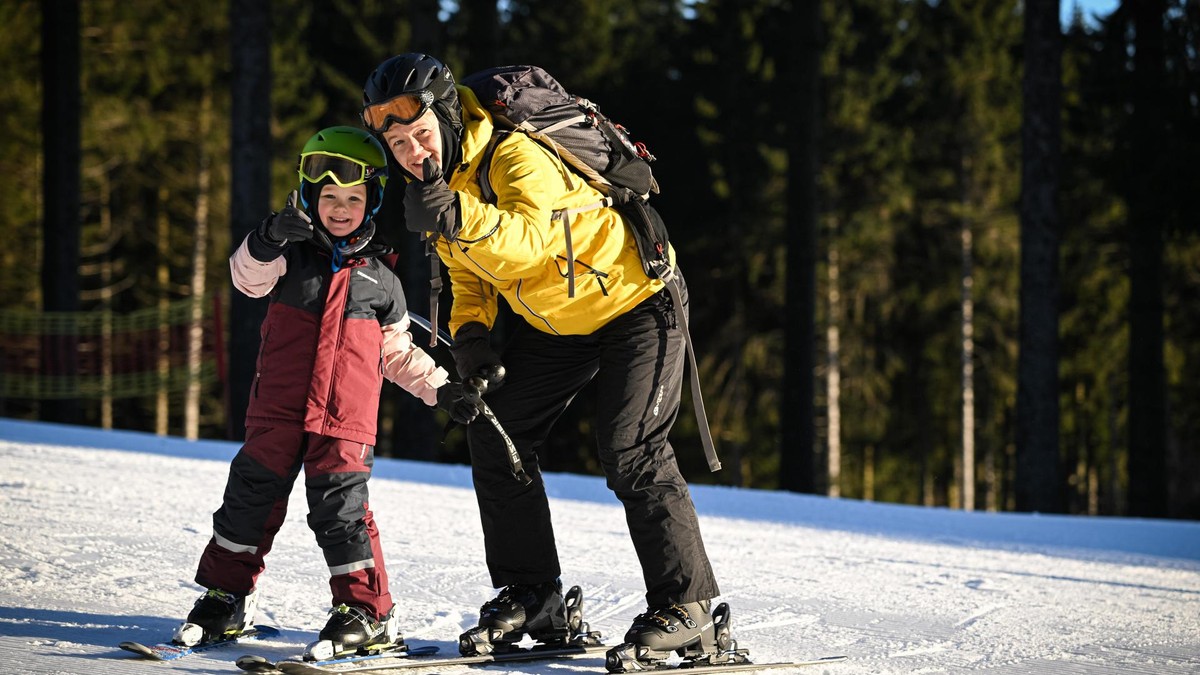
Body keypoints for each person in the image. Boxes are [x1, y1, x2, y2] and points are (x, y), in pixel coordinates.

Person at [360, 54, 731, 670]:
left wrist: (455, 214)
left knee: (630, 449)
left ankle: (689, 611)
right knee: (496, 428)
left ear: (448, 118)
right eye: (396, 142)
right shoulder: (439, 184)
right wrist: (473, 335)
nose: (410, 151)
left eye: (420, 133)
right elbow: (466, 275)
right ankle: (535, 597)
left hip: (639, 301)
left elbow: (532, 242)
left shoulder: (514, 155)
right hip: (560, 323)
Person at [175, 126, 479, 658]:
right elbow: (247, 278)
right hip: (277, 413)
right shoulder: (289, 258)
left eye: (353, 199)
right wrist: (269, 236)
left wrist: (445, 390)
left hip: (344, 422)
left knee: (340, 514)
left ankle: (367, 612)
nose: (341, 208)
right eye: (329, 197)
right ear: (310, 199)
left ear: (372, 203)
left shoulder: (381, 282)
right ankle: (225, 598)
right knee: (247, 502)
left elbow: (396, 353)